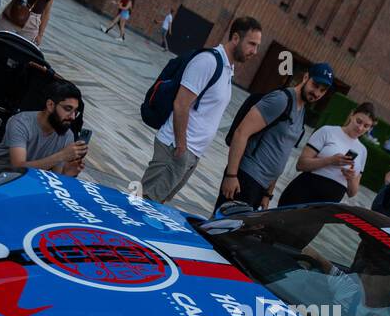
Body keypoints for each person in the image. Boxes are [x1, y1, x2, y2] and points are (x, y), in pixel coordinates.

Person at [141, 16, 262, 204]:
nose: (255, 51)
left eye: (257, 46)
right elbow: (181, 104)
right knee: (144, 203)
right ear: (236, 38)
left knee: (156, 205)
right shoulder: (208, 62)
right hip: (176, 149)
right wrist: (181, 147)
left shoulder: (227, 68)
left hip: (190, 154)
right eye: (252, 44)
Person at [218, 62, 332, 211]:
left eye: (322, 91)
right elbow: (241, 132)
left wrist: (267, 194)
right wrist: (231, 175)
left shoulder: (302, 112)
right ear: (305, 77)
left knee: (235, 233)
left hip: (261, 187)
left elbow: (281, 152)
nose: (317, 93)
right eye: (315, 85)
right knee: (219, 229)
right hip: (245, 178)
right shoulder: (281, 100)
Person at [278, 102, 376, 206]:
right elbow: (300, 165)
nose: (360, 128)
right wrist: (330, 160)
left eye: (366, 126)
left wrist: (351, 178)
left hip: (324, 208)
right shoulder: (328, 131)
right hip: (302, 193)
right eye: (358, 121)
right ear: (352, 115)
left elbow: (352, 193)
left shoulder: (362, 150)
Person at [0, 80, 88, 175]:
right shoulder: (21, 122)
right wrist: (62, 156)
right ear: (50, 105)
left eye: (75, 111)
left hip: (26, 182)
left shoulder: (66, 135)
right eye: (68, 109)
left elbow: (55, 176)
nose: (72, 117)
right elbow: (18, 168)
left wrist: (66, 173)